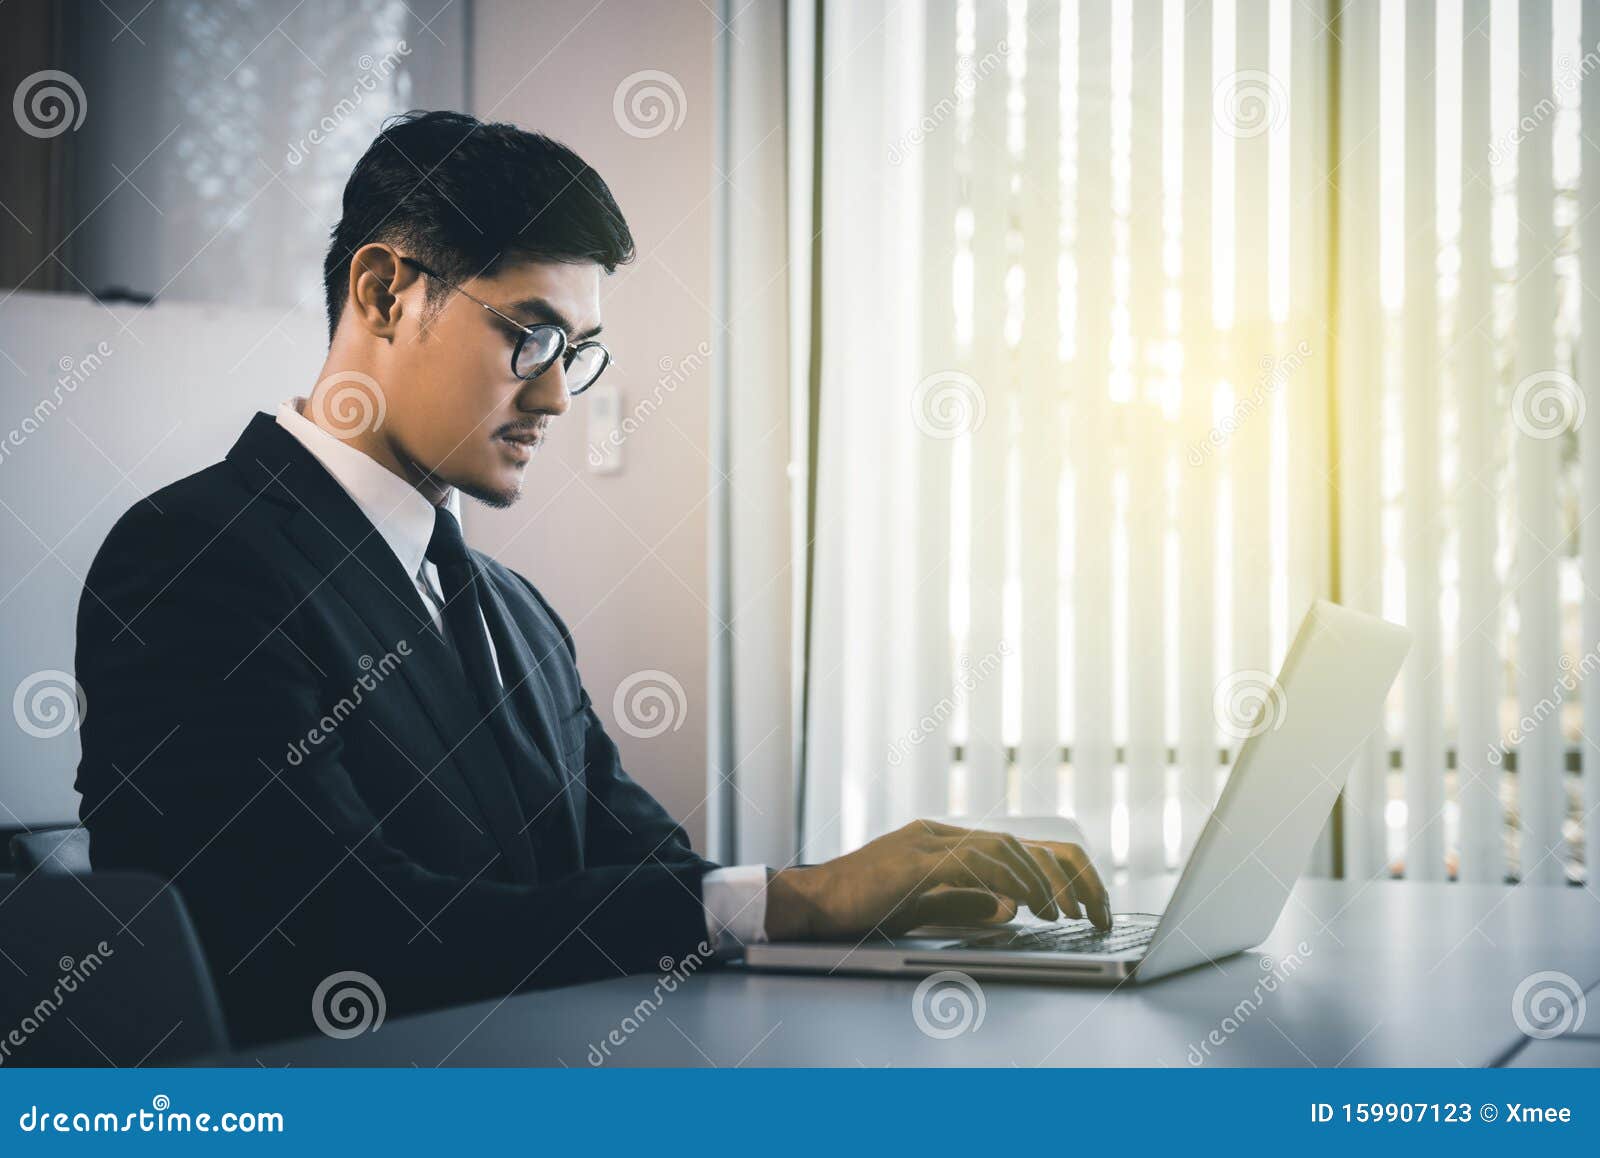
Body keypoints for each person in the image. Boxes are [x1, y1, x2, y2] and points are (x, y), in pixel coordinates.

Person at [74, 110, 1110, 1046]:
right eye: (533, 337)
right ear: (386, 291)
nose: (560, 398)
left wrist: (875, 902)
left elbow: (650, 880)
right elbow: (335, 936)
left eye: (580, 352)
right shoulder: (192, 559)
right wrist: (800, 899)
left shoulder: (519, 619)